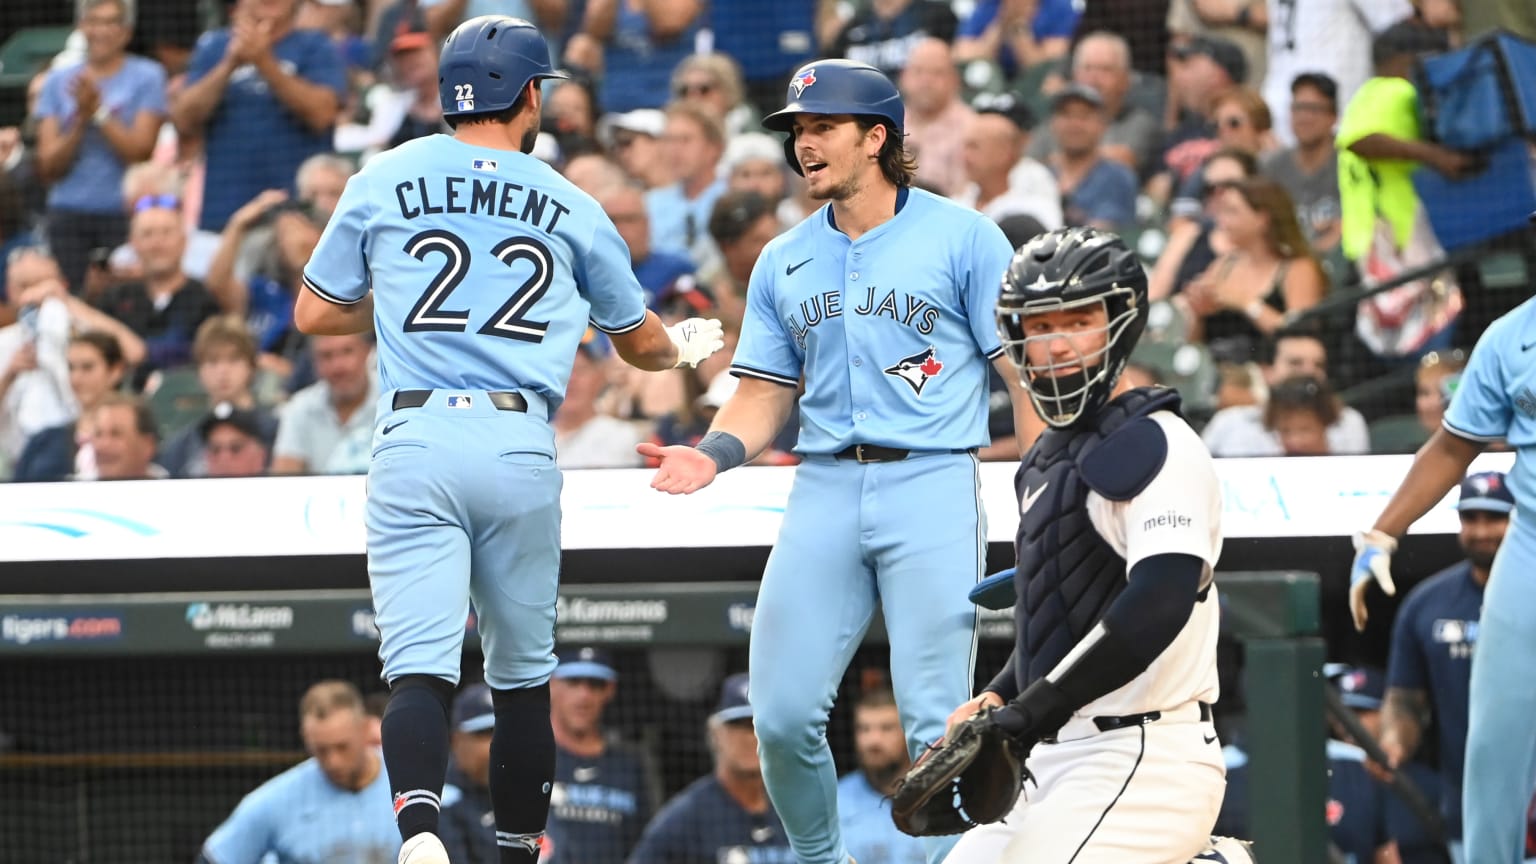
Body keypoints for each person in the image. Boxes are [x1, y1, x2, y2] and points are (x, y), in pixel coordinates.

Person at [292, 16, 724, 864]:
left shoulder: (387, 173)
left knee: (418, 670)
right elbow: (639, 345)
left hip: (416, 433)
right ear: (530, 94)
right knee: (523, 678)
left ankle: (420, 834)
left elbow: (312, 312)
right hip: (518, 437)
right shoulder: (571, 199)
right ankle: (520, 851)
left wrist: (403, 301)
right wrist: (681, 347)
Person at [638, 58, 1031, 864]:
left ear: (876, 137)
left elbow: (1020, 378)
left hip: (931, 479)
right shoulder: (783, 256)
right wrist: (713, 454)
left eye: (822, 128)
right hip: (823, 484)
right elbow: (761, 393)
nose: (804, 145)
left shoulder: (965, 237)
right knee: (780, 717)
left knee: (937, 725)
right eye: (797, 131)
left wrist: (1044, 493)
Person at [942, 227, 1243, 863]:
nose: (1055, 344)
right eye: (1038, 326)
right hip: (1047, 755)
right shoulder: (1045, 458)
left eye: (1077, 322)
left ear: (1120, 323)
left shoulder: (1160, 443)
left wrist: (1031, 710)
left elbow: (1157, 604)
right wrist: (1000, 694)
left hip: (1143, 753)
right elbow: (1059, 611)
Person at [1350, 284, 1536, 864]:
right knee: (1494, 742)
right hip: (1531, 543)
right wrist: (1381, 534)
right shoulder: (1512, 336)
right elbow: (1453, 446)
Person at [1377, 471, 1514, 863]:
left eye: (1494, 518)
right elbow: (1406, 699)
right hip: (1467, 803)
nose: (1481, 531)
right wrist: (1393, 743)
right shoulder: (1428, 604)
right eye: (1470, 518)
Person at [198, 680, 397, 864]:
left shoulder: (405, 778)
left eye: (342, 747)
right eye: (321, 750)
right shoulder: (279, 798)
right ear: (305, 738)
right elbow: (215, 857)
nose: (333, 762)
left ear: (365, 729)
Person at [626, 673, 795, 864]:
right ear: (716, 734)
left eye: (759, 725)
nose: (750, 737)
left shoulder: (797, 814)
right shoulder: (687, 818)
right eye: (737, 725)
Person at [546, 647, 659, 862]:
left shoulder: (630, 766)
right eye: (573, 682)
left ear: (610, 690)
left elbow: (648, 844)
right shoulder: (527, 758)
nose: (584, 695)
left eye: (595, 684)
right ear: (551, 684)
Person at [837, 688, 926, 864]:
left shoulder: (940, 793)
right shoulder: (836, 802)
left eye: (887, 728)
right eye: (864, 729)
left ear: (908, 733)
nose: (873, 741)